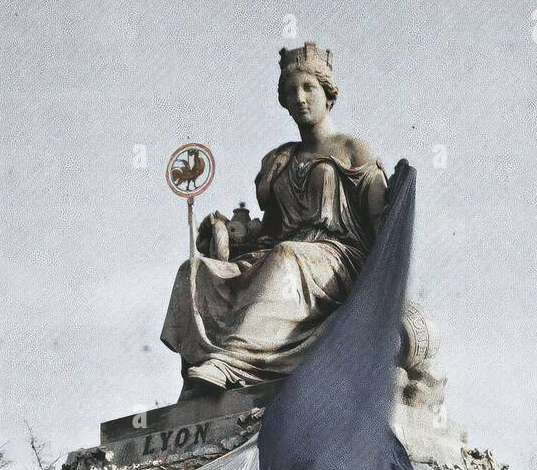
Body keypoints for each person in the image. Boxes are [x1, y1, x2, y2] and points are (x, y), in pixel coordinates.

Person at [161, 43, 389, 391]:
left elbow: (383, 226)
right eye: (290, 91)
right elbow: (268, 232)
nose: (299, 97)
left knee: (286, 256)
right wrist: (228, 233)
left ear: (327, 93)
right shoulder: (278, 161)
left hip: (337, 259)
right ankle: (197, 385)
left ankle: (231, 363)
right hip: (283, 256)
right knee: (194, 271)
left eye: (308, 87)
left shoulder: (352, 150)